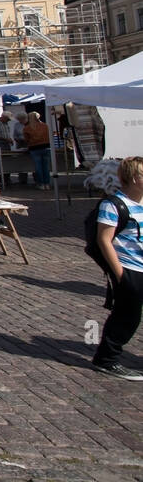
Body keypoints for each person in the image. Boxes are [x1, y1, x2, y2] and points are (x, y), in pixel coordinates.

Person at [90, 157, 143, 379]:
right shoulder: (113, 204)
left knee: (129, 315)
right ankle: (106, 359)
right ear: (134, 178)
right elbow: (104, 240)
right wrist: (120, 275)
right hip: (129, 268)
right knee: (127, 316)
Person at [24, 111, 52, 190]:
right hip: (46, 147)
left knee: (38, 167)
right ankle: (47, 184)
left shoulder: (27, 128)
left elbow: (26, 140)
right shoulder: (45, 126)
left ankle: (41, 184)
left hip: (34, 148)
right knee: (46, 167)